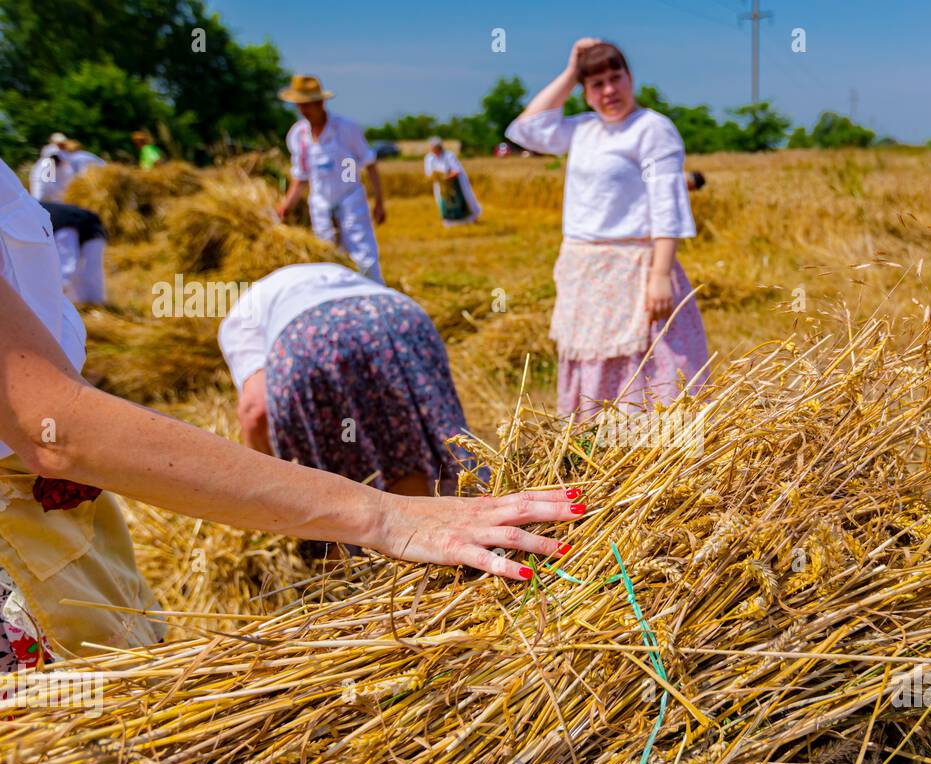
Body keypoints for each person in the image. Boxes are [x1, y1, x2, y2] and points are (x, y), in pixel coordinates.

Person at [0, 156, 585, 671]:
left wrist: (278, 488)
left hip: (309, 347)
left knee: (334, 464)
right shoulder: (322, 278)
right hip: (406, 321)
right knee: (417, 450)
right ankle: (434, 566)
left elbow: (254, 408)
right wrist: (385, 509)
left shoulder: (242, 317)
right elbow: (49, 424)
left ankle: (351, 584)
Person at [505, 39, 709, 421]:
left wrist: (661, 274)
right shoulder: (583, 129)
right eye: (596, 84)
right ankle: (595, 452)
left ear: (631, 78)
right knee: (592, 365)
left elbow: (667, 203)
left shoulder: (651, 129)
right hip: (584, 271)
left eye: (616, 78)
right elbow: (525, 129)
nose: (609, 91)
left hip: (636, 267)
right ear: (584, 93)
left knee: (644, 370)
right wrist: (571, 69)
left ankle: (647, 461)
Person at [219, 263, 478, 497]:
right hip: (400, 315)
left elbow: (256, 411)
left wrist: (265, 498)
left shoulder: (239, 318)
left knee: (339, 460)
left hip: (314, 334)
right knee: (403, 439)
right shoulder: (330, 271)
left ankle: (356, 542)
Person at [275, 75, 386, 283]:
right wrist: (286, 206)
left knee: (364, 258)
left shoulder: (346, 128)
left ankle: (373, 295)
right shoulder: (298, 135)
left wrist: (379, 202)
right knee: (328, 261)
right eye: (299, 106)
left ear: (320, 103)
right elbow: (300, 178)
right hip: (320, 206)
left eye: (307, 105)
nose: (303, 111)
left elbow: (369, 164)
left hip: (350, 200)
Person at [40, 201, 107, 306]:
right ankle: (92, 304)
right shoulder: (42, 207)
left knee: (69, 269)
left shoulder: (36, 212)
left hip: (71, 225)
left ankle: (64, 303)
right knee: (91, 273)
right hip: (93, 226)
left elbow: (67, 265)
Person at [424, 137, 482, 226]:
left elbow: (456, 171)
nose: (433, 149)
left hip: (455, 184)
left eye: (435, 147)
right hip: (441, 186)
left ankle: (468, 219)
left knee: (461, 201)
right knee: (442, 202)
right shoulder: (429, 158)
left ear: (439, 147)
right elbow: (429, 173)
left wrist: (446, 177)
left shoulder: (449, 155)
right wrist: (438, 178)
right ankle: (449, 221)